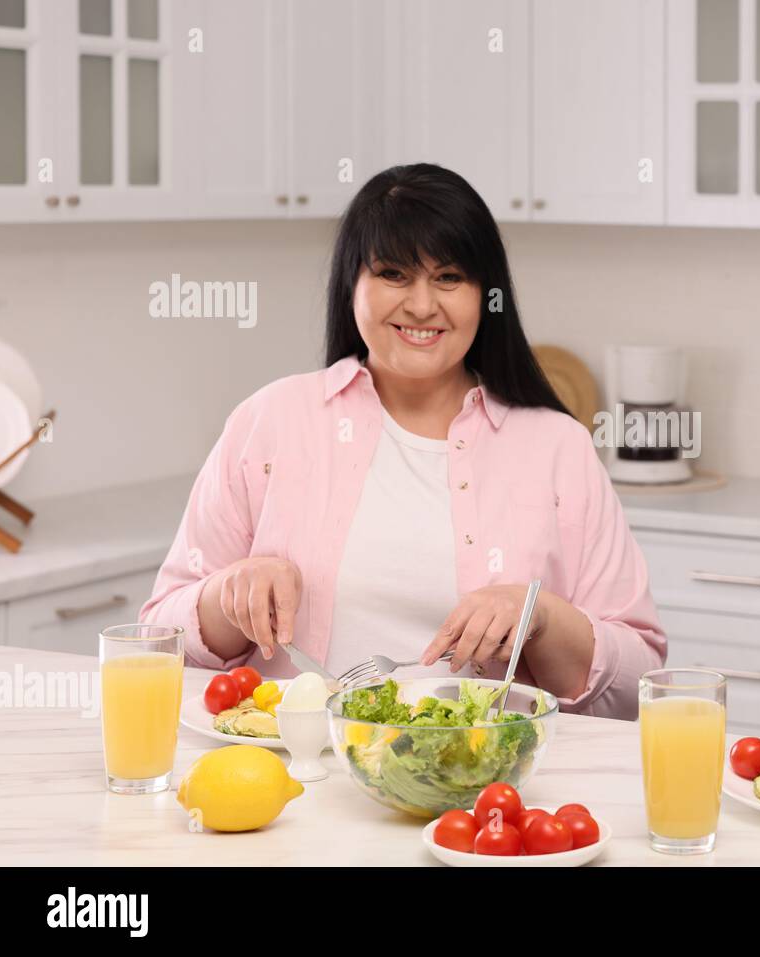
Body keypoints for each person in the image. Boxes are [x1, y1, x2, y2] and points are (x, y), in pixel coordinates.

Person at [141, 163, 665, 719]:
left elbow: (642, 685)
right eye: (393, 275)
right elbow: (153, 639)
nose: (421, 305)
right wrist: (228, 595)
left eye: (448, 278)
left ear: (487, 296)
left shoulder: (558, 448)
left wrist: (541, 618)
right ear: (352, 285)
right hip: (295, 781)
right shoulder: (270, 420)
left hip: (484, 790)